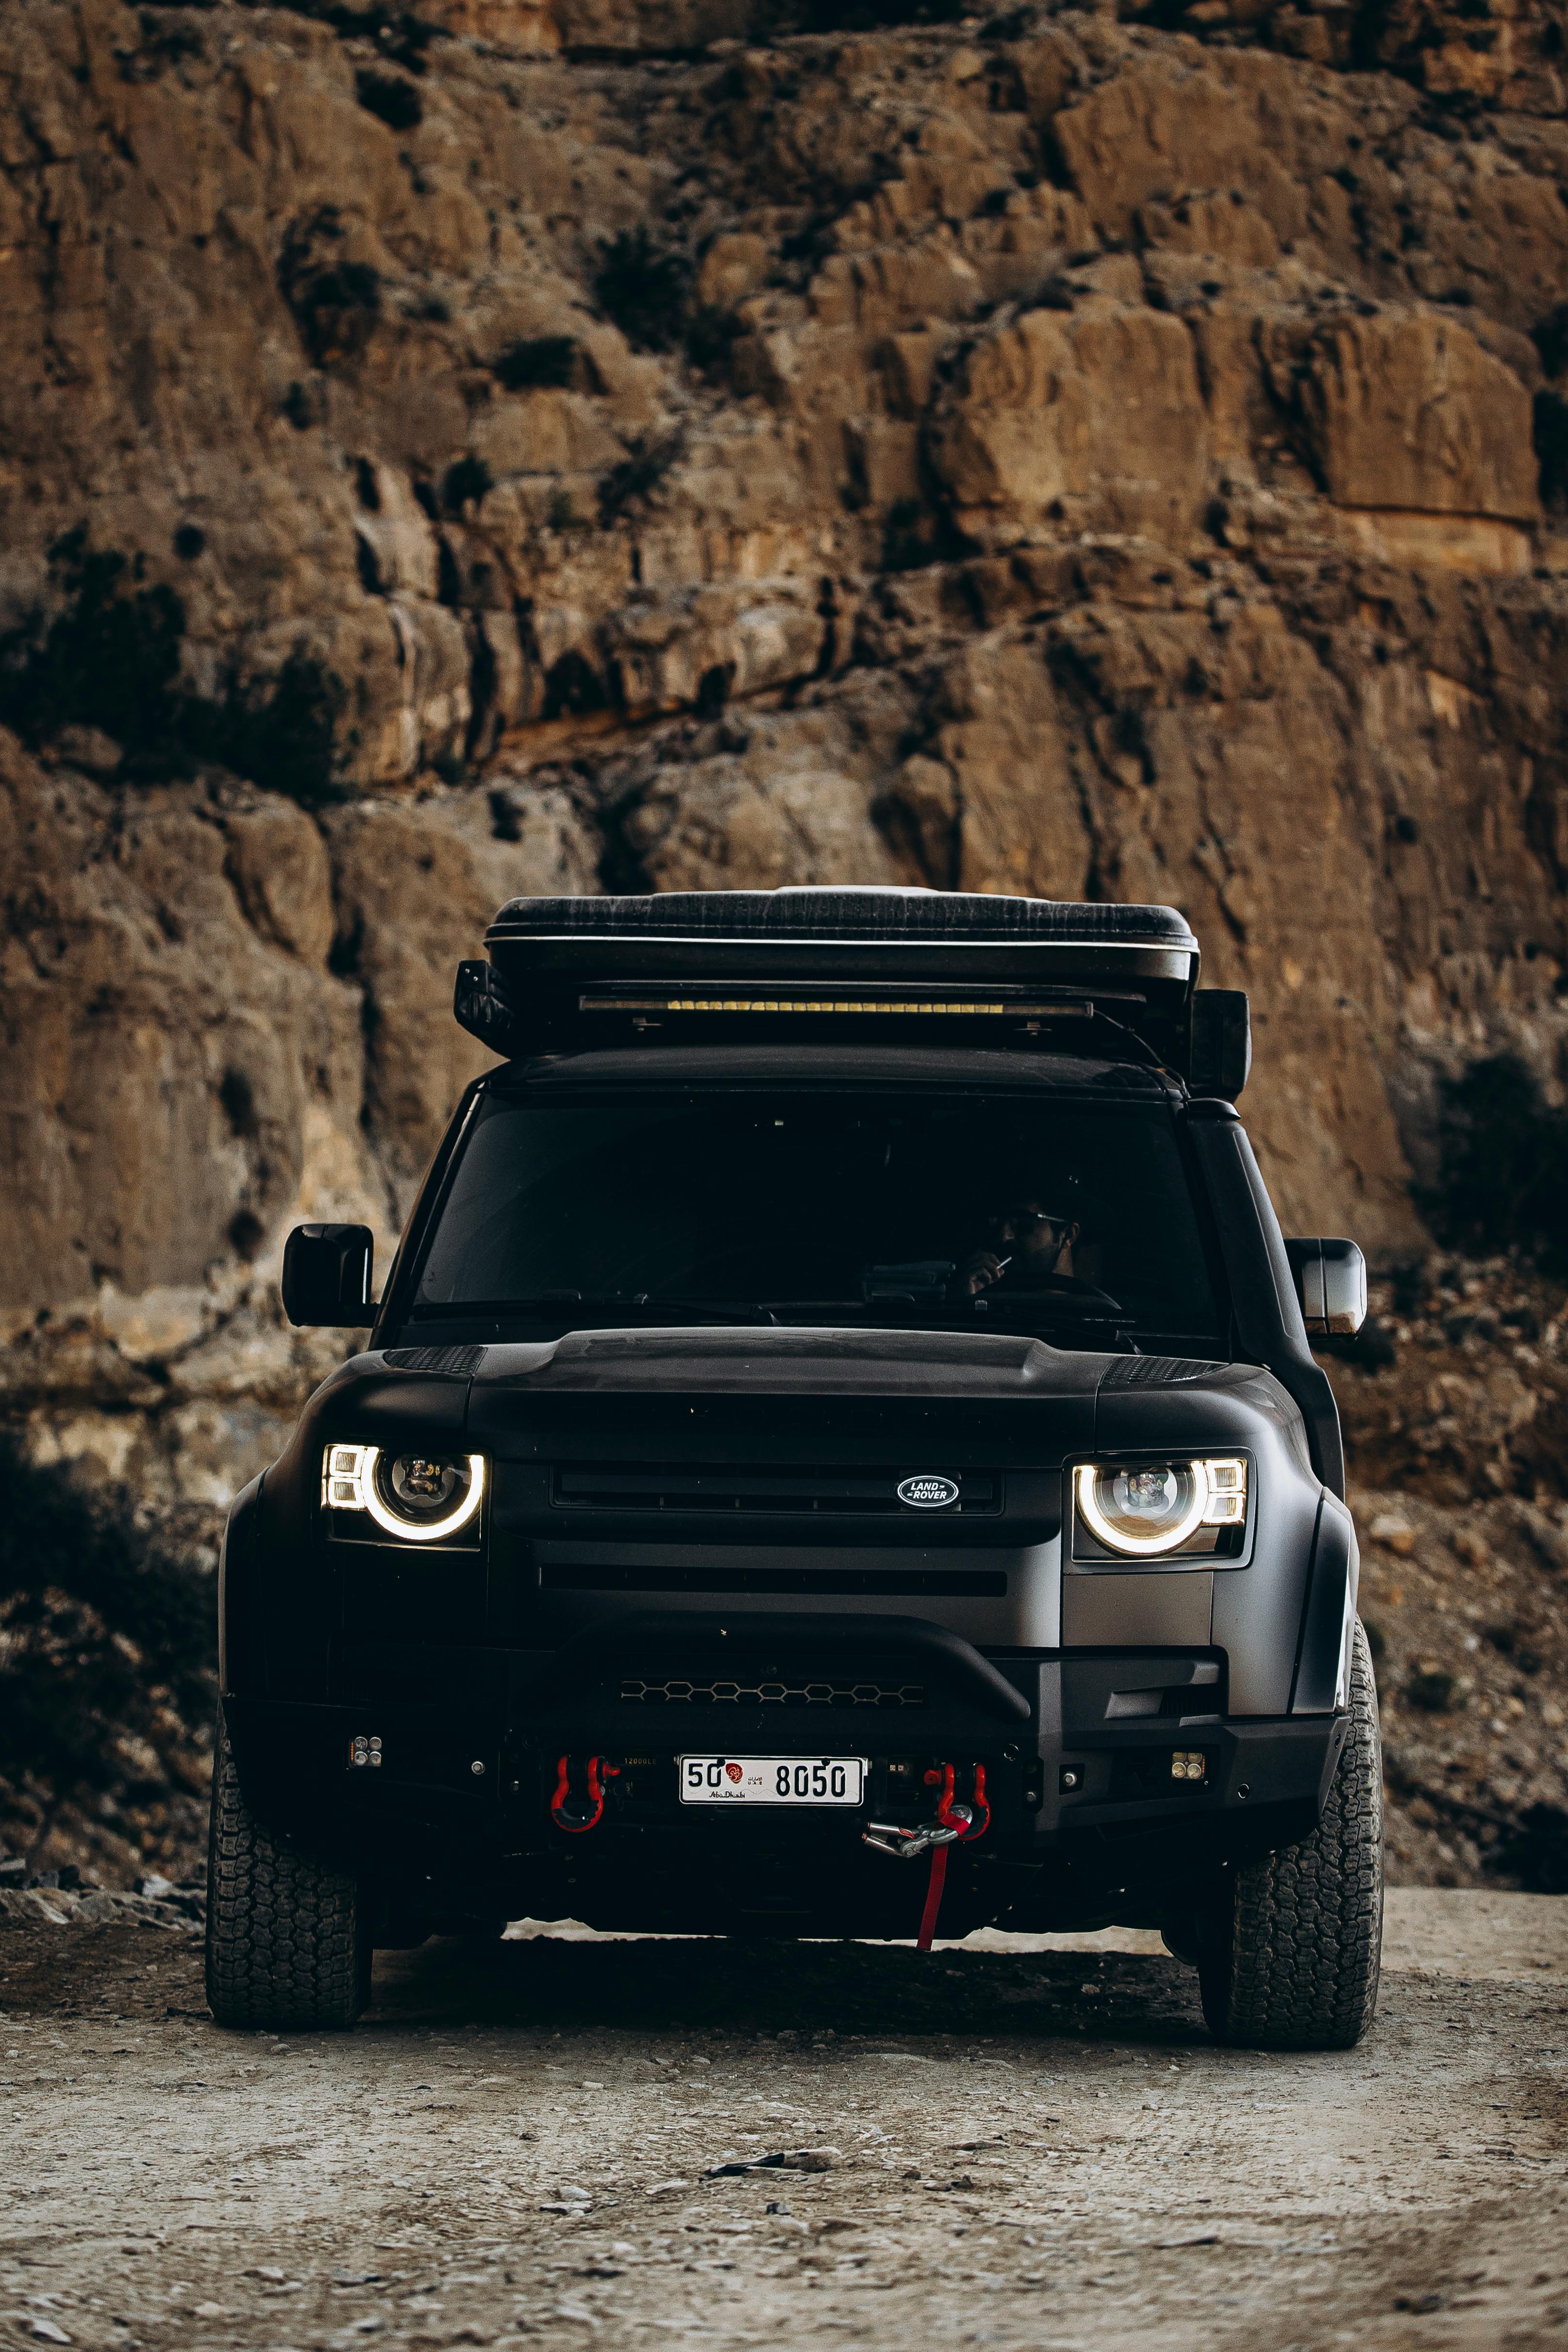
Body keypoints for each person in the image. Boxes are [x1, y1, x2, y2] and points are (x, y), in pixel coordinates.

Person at [957, 1196, 1086, 1299]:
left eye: (1024, 1224)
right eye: (998, 1223)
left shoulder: (1091, 1313)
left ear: (1068, 1234)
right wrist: (970, 1302)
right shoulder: (994, 1304)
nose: (1005, 1236)